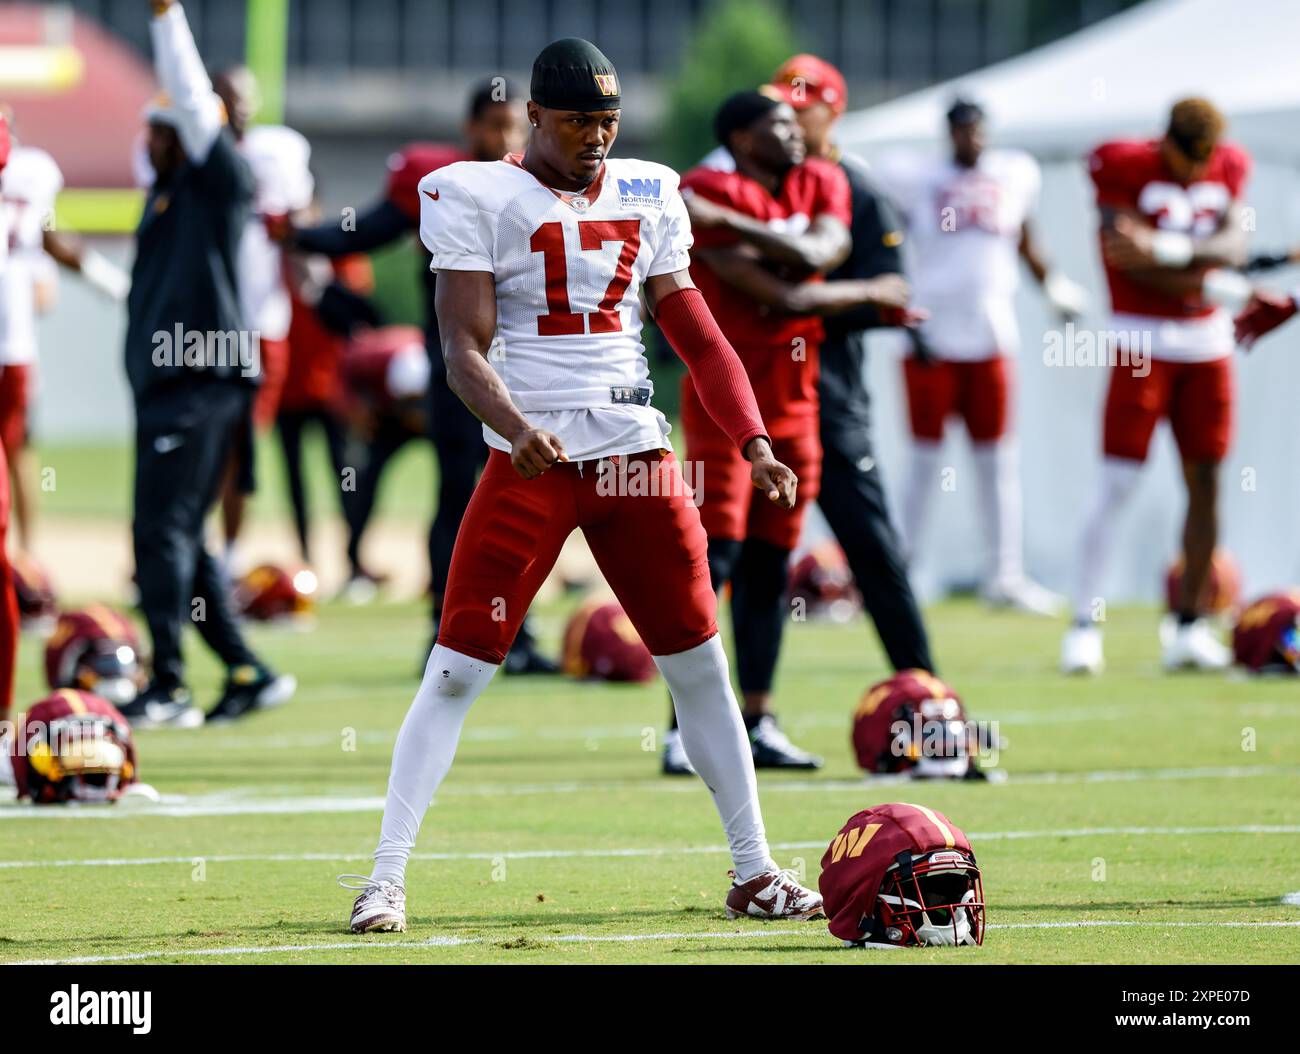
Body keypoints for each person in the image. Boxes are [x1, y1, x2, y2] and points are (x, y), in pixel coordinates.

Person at [341, 39, 822, 934]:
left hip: (635, 455)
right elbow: (460, 349)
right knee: (454, 672)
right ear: (534, 117)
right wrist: (517, 426)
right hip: (535, 459)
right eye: (576, 122)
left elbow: (700, 337)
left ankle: (753, 871)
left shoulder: (649, 190)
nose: (596, 138)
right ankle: (386, 878)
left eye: (606, 121)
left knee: (699, 666)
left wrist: (752, 438)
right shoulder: (473, 192)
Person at [287, 80, 556, 673]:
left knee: (528, 502)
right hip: (459, 370)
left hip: (528, 370)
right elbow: (368, 229)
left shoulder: (541, 182)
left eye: (514, 127)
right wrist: (299, 234)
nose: (505, 138)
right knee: (462, 498)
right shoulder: (444, 183)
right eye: (494, 126)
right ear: (471, 129)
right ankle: (447, 633)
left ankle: (520, 632)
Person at [665, 90, 852, 772]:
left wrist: (754, 234)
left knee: (773, 565)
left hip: (796, 403)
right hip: (724, 402)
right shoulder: (705, 187)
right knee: (712, 563)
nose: (795, 129)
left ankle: (759, 719)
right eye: (776, 122)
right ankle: (681, 730)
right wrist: (829, 273)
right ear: (742, 138)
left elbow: (818, 257)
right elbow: (781, 289)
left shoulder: (821, 176)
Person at [125, 0, 294, 727]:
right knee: (179, 536)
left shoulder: (217, 178)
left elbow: (195, 101)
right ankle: (247, 668)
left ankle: (167, 684)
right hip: (176, 384)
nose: (153, 141)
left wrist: (167, 18)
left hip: (198, 384)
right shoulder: (166, 197)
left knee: (159, 533)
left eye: (162, 131)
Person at [1060, 98, 1251, 674]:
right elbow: (1125, 258)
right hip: (1141, 343)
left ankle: (1190, 625)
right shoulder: (1121, 162)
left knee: (1208, 482)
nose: (1195, 172)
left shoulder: (1231, 165)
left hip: (1208, 346)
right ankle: (1084, 625)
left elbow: (1235, 247)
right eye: (1185, 159)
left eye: (1204, 161)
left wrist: (1171, 252)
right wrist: (1205, 271)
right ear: (1164, 141)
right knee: (1117, 482)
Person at [876, 99, 1087, 616]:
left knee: (997, 460)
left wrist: (1052, 284)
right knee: (924, 461)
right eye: (961, 129)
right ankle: (903, 570)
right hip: (931, 335)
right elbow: (883, 232)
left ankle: (1005, 573)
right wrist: (899, 301)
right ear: (948, 132)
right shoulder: (917, 176)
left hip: (992, 334)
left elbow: (1025, 238)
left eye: (976, 128)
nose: (970, 138)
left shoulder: (1014, 173)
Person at [0, 113, 130, 552]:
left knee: (19, 448)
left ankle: (26, 559)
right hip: (13, 343)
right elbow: (50, 239)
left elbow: (47, 237)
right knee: (18, 450)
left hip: (13, 343)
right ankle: (26, 558)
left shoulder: (30, 174)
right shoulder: (31, 172)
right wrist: (106, 281)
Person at [210, 65, 315, 578]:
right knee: (200, 444)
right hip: (205, 329)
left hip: (262, 324)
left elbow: (300, 223)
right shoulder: (196, 154)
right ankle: (183, 555)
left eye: (247, 97)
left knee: (242, 445)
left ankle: (226, 560)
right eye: (230, 97)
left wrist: (313, 268)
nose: (242, 108)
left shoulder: (277, 153)